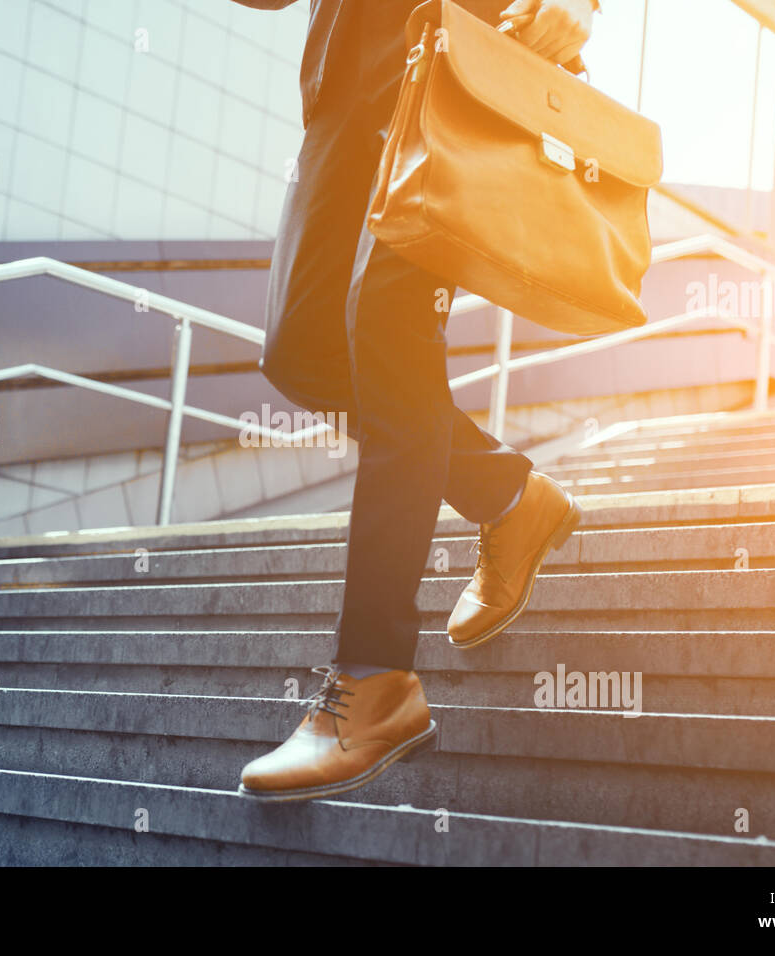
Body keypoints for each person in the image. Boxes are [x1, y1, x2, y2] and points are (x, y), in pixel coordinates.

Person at [229, 0, 597, 802]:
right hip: (344, 82)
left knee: (391, 337)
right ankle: (510, 496)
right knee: (304, 352)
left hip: (461, 53)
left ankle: (375, 677)